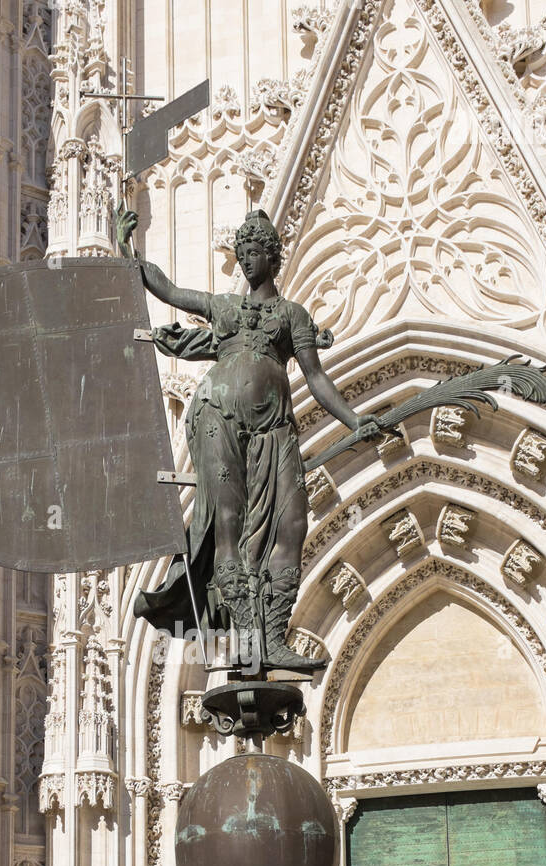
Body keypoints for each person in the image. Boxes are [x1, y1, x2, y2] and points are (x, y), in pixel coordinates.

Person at [118, 204, 385, 672]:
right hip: (217, 416)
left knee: (292, 524)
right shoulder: (223, 307)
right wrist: (130, 253)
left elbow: (316, 378)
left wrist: (354, 419)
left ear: (272, 257)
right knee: (227, 523)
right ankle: (246, 640)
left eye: (254, 252)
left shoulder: (292, 315)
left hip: (274, 428)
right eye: (241, 253)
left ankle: (272, 638)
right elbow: (169, 290)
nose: (245, 261)